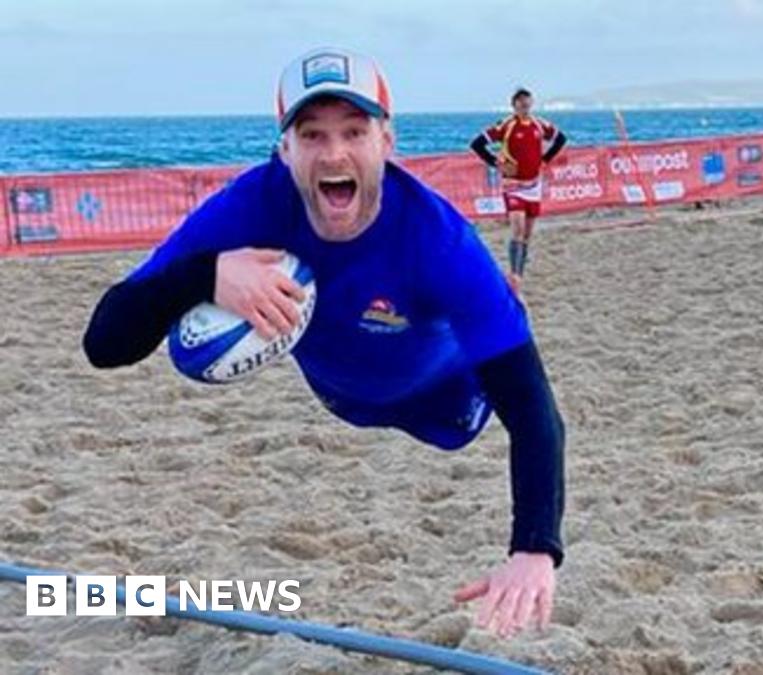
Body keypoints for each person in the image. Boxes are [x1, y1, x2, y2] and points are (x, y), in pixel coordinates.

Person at [81, 48, 565, 639]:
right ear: (285, 149)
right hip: (341, 393)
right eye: (311, 135)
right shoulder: (252, 204)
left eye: (354, 131)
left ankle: (503, 303)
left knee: (502, 326)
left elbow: (535, 413)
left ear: (386, 142)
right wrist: (206, 275)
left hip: (450, 399)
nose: (333, 152)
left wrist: (534, 549)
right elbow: (104, 342)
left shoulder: (437, 239)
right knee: (189, 290)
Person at [470, 88, 567, 293]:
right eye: (520, 104)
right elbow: (477, 144)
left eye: (527, 103)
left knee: (527, 235)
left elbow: (561, 139)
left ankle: (519, 274)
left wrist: (545, 160)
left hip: (534, 185)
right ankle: (514, 275)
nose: (525, 107)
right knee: (518, 229)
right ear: (514, 105)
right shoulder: (507, 125)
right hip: (513, 185)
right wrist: (496, 162)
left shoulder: (539, 124)